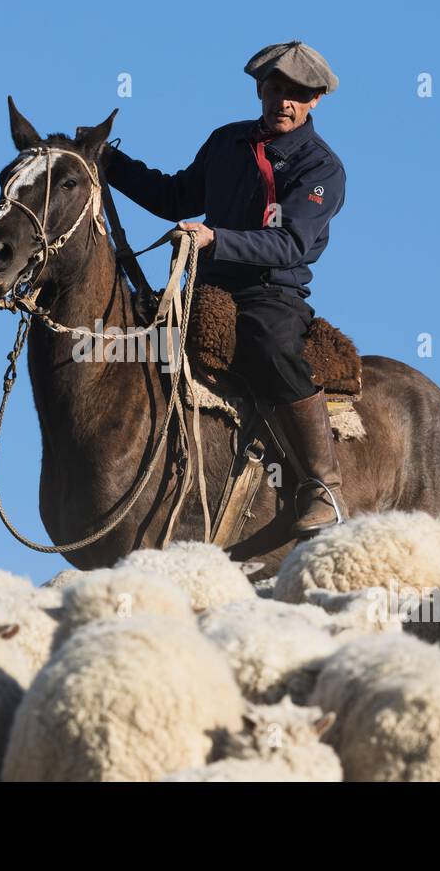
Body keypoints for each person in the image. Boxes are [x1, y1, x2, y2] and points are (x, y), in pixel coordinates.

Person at [101, 40, 349, 537]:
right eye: (276, 88)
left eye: (298, 93)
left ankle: (324, 486)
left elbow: (290, 242)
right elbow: (176, 195)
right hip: (206, 286)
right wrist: (109, 162)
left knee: (270, 344)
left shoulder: (322, 168)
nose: (284, 100)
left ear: (315, 100)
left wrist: (216, 238)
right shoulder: (226, 141)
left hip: (269, 292)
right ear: (260, 88)